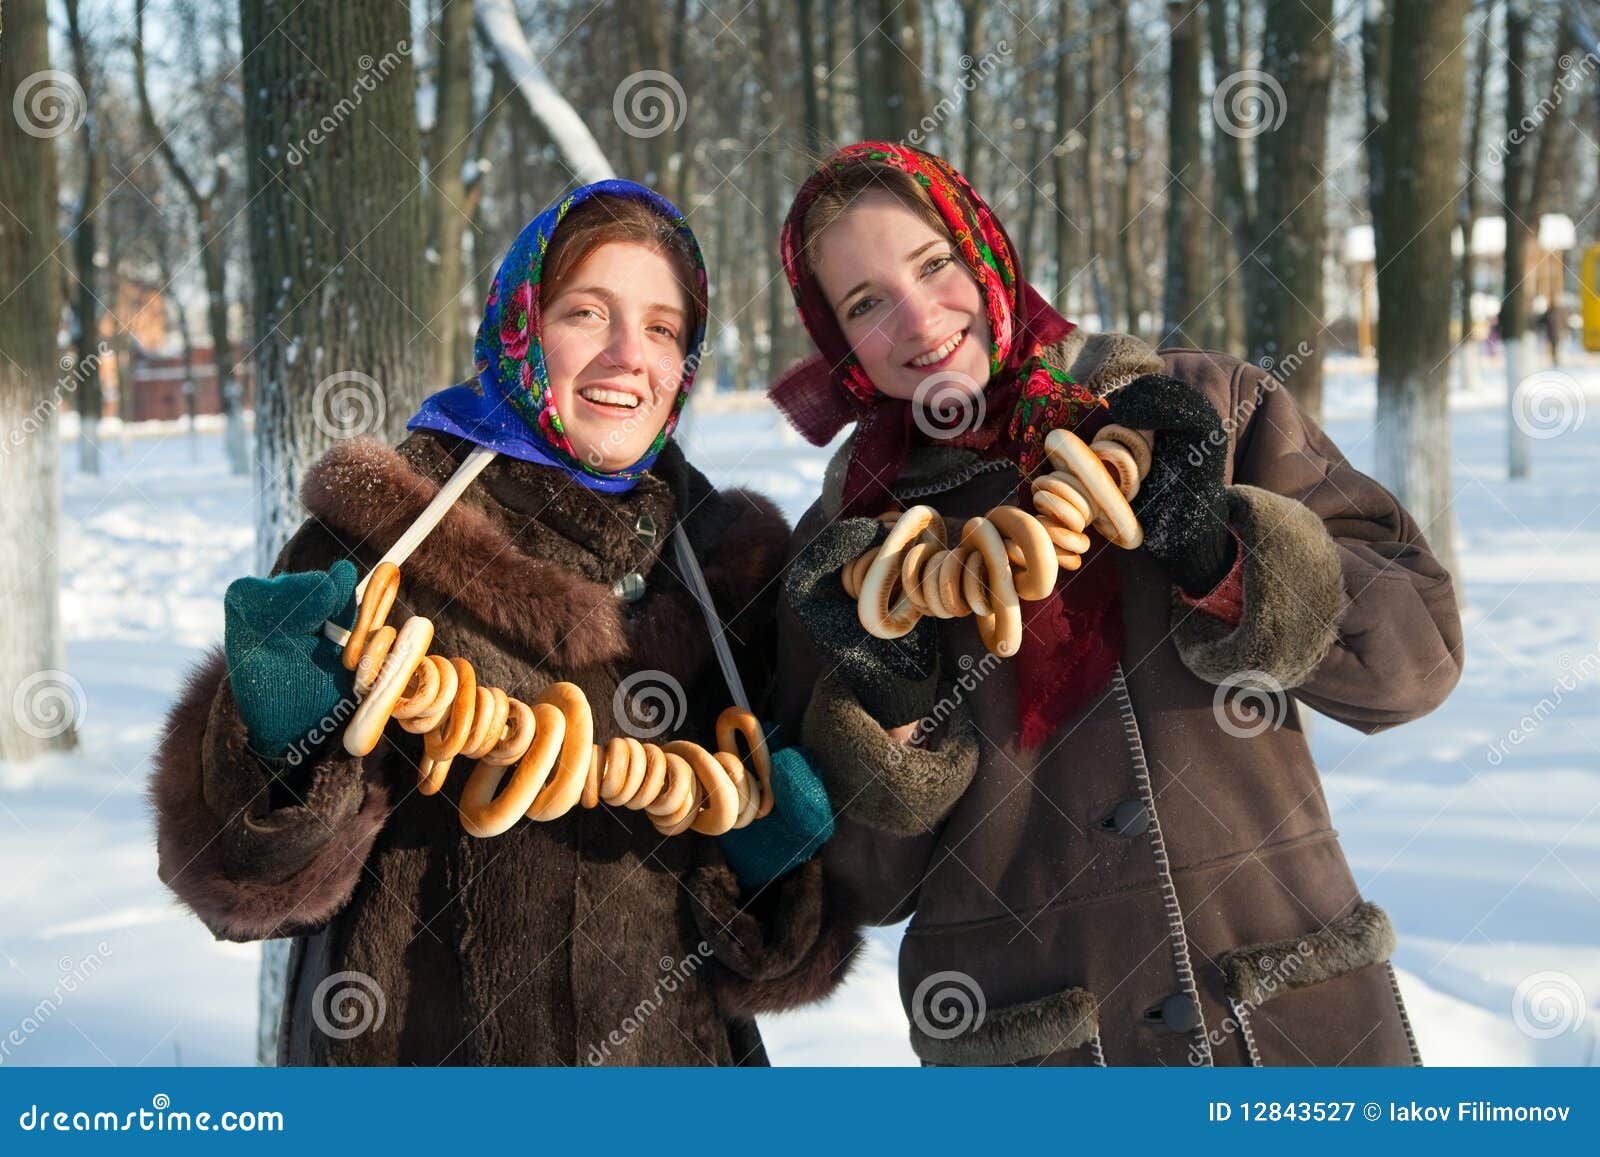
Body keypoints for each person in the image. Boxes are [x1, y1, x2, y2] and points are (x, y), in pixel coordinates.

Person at [771, 142, 1464, 1066]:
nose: (919, 316)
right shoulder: (854, 553)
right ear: (836, 342)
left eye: (934, 262)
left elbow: (1414, 663)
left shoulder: (1199, 409)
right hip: (1042, 1058)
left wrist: (1222, 552)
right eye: (864, 303)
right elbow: (860, 886)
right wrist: (892, 713)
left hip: (1294, 1030)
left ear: (984, 248)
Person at [149, 180, 849, 1066]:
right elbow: (235, 889)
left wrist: (772, 869)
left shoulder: (728, 566)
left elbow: (774, 958)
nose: (630, 355)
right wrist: (279, 747)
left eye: (664, 328)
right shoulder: (386, 534)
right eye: (589, 314)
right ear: (522, 324)